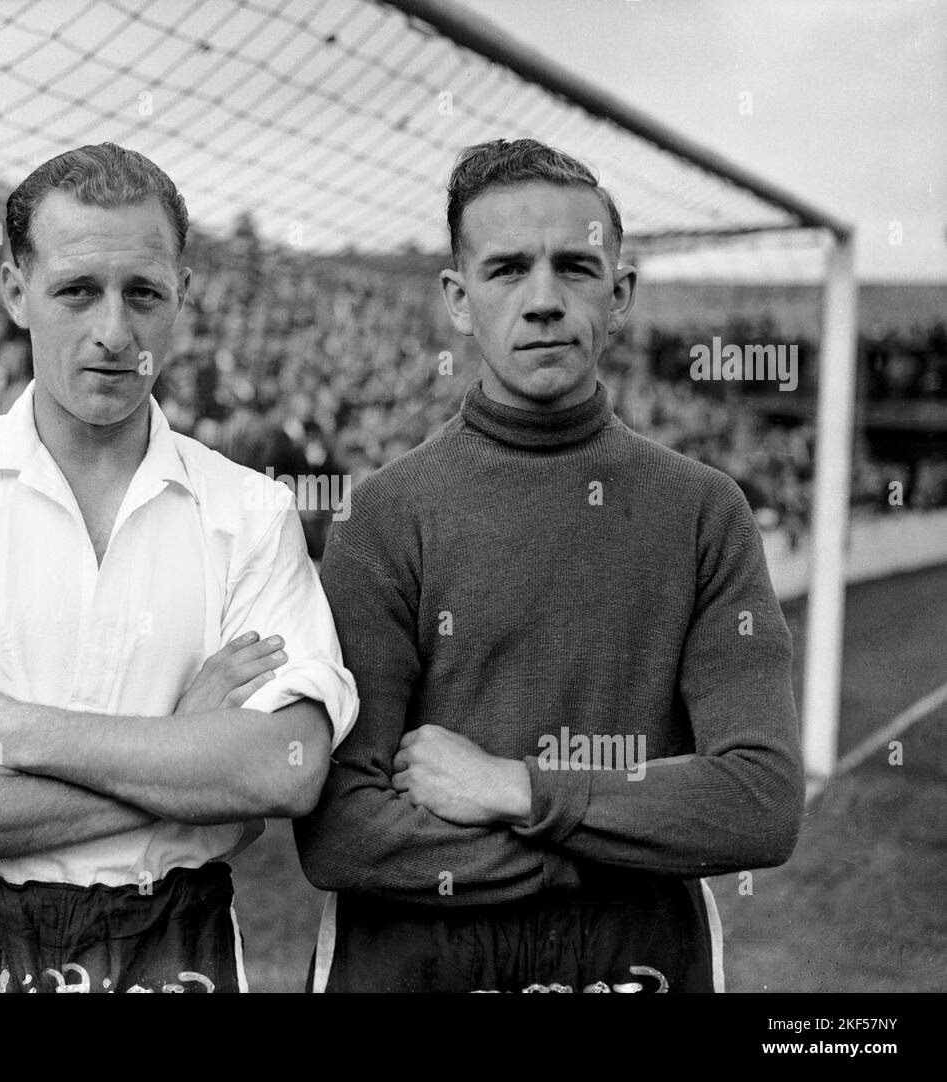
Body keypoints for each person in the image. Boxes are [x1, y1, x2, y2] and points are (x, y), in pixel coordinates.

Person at [0, 144, 357, 994]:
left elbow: (284, 767)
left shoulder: (252, 513)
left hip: (169, 932)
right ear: (14, 292)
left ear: (182, 297)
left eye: (142, 291)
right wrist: (184, 765)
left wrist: (9, 729)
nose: (113, 331)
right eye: (76, 290)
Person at [294, 138, 804, 993]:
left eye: (575, 267)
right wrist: (599, 843)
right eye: (505, 270)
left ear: (621, 292)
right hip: (418, 957)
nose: (542, 301)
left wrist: (520, 790)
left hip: (636, 960)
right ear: (458, 299)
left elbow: (758, 801)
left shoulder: (705, 512)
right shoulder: (384, 514)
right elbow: (343, 829)